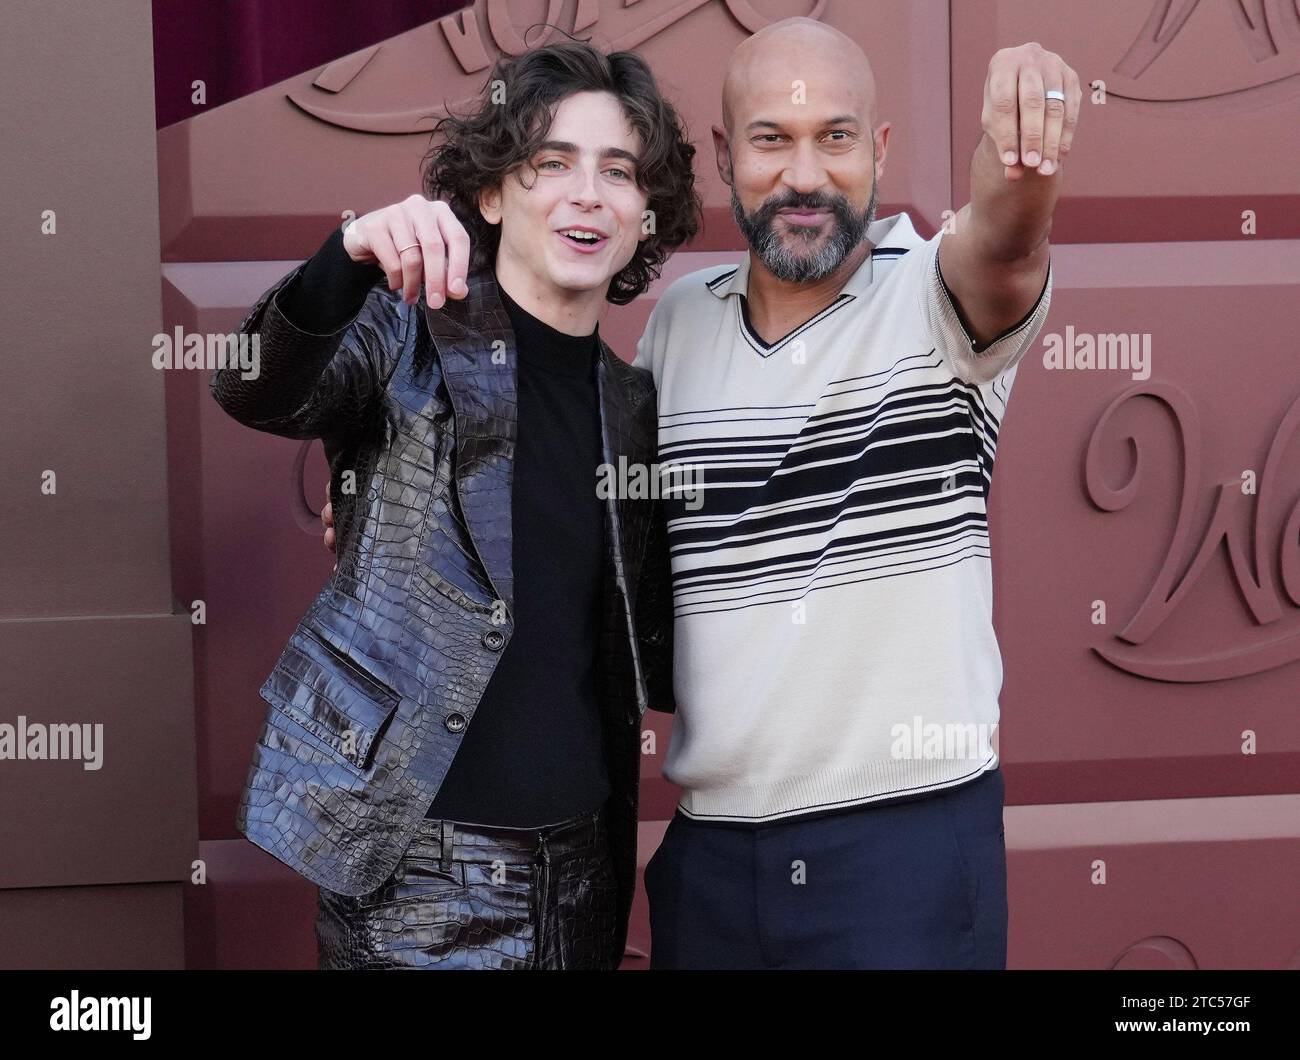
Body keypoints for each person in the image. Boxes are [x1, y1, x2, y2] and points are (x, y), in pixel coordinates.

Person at [329, 19, 1076, 969]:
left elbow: (1008, 243)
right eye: (772, 139)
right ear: (724, 157)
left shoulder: (938, 298)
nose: (804, 175)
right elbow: (587, 512)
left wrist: (1023, 147)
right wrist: (390, 511)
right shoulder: (679, 327)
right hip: (713, 860)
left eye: (835, 138)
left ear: (880, 150)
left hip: (905, 849)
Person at [210, 39, 697, 969]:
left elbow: (661, 639)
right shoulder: (406, 333)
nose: (587, 194)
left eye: (619, 172)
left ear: (644, 214)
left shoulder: (637, 408)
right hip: (413, 875)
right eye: (551, 163)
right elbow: (250, 387)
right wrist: (346, 257)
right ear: (491, 193)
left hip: (584, 873)